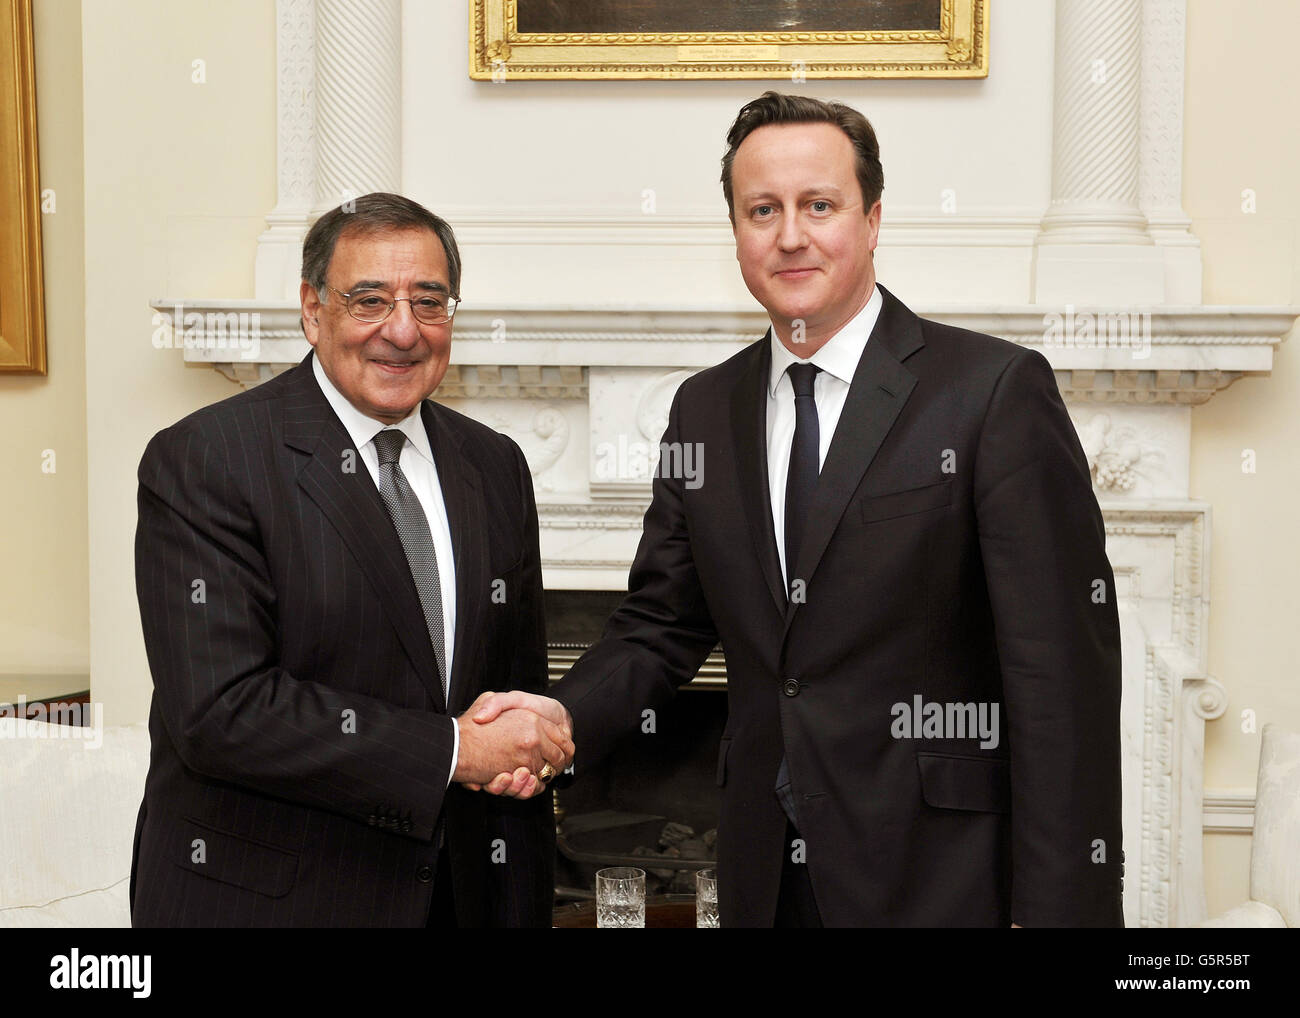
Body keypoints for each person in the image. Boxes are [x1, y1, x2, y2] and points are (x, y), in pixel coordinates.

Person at [474, 93, 1124, 927]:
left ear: (873, 217)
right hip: (763, 872)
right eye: (762, 210)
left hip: (943, 877)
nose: (790, 235)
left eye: (819, 205)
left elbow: (1060, 679)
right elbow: (659, 626)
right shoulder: (702, 410)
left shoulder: (992, 392)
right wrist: (561, 715)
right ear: (737, 231)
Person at [130, 192, 573, 927]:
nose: (402, 331)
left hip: (465, 898)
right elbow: (221, 712)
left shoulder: (494, 466)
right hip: (274, 904)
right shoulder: (209, 458)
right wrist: (456, 750)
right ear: (312, 309)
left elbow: (511, 691)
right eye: (369, 300)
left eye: (429, 302)